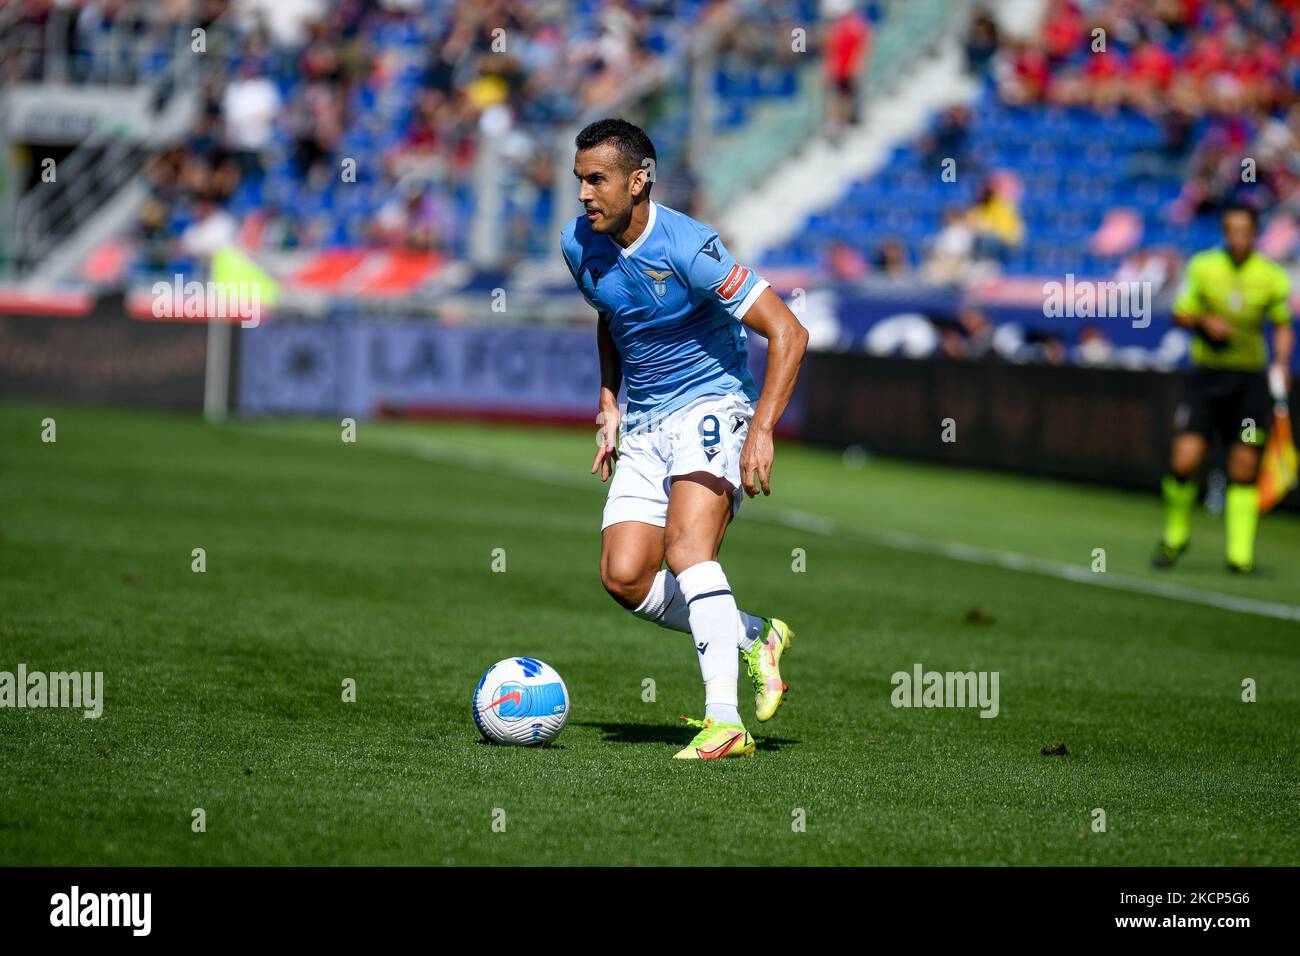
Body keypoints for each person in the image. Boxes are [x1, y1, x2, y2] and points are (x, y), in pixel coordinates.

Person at [560, 119, 808, 760]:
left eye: (598, 180)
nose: (585, 195)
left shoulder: (690, 250)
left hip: (712, 405)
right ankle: (752, 635)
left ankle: (724, 724)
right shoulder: (577, 244)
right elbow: (612, 316)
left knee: (687, 552)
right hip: (643, 420)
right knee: (624, 578)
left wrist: (759, 432)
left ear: (638, 180)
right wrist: (610, 395)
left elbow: (788, 332)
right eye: (580, 180)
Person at [1154, 204, 1293, 573]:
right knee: (1184, 458)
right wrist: (1202, 320)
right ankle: (1175, 535)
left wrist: (1281, 361)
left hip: (1248, 383)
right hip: (1207, 379)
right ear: (1223, 231)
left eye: (1244, 229)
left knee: (1245, 464)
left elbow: (1282, 323)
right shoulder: (1202, 266)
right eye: (1231, 229)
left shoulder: (1271, 276)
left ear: (1255, 232)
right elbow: (1180, 312)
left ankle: (1239, 555)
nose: (1238, 236)